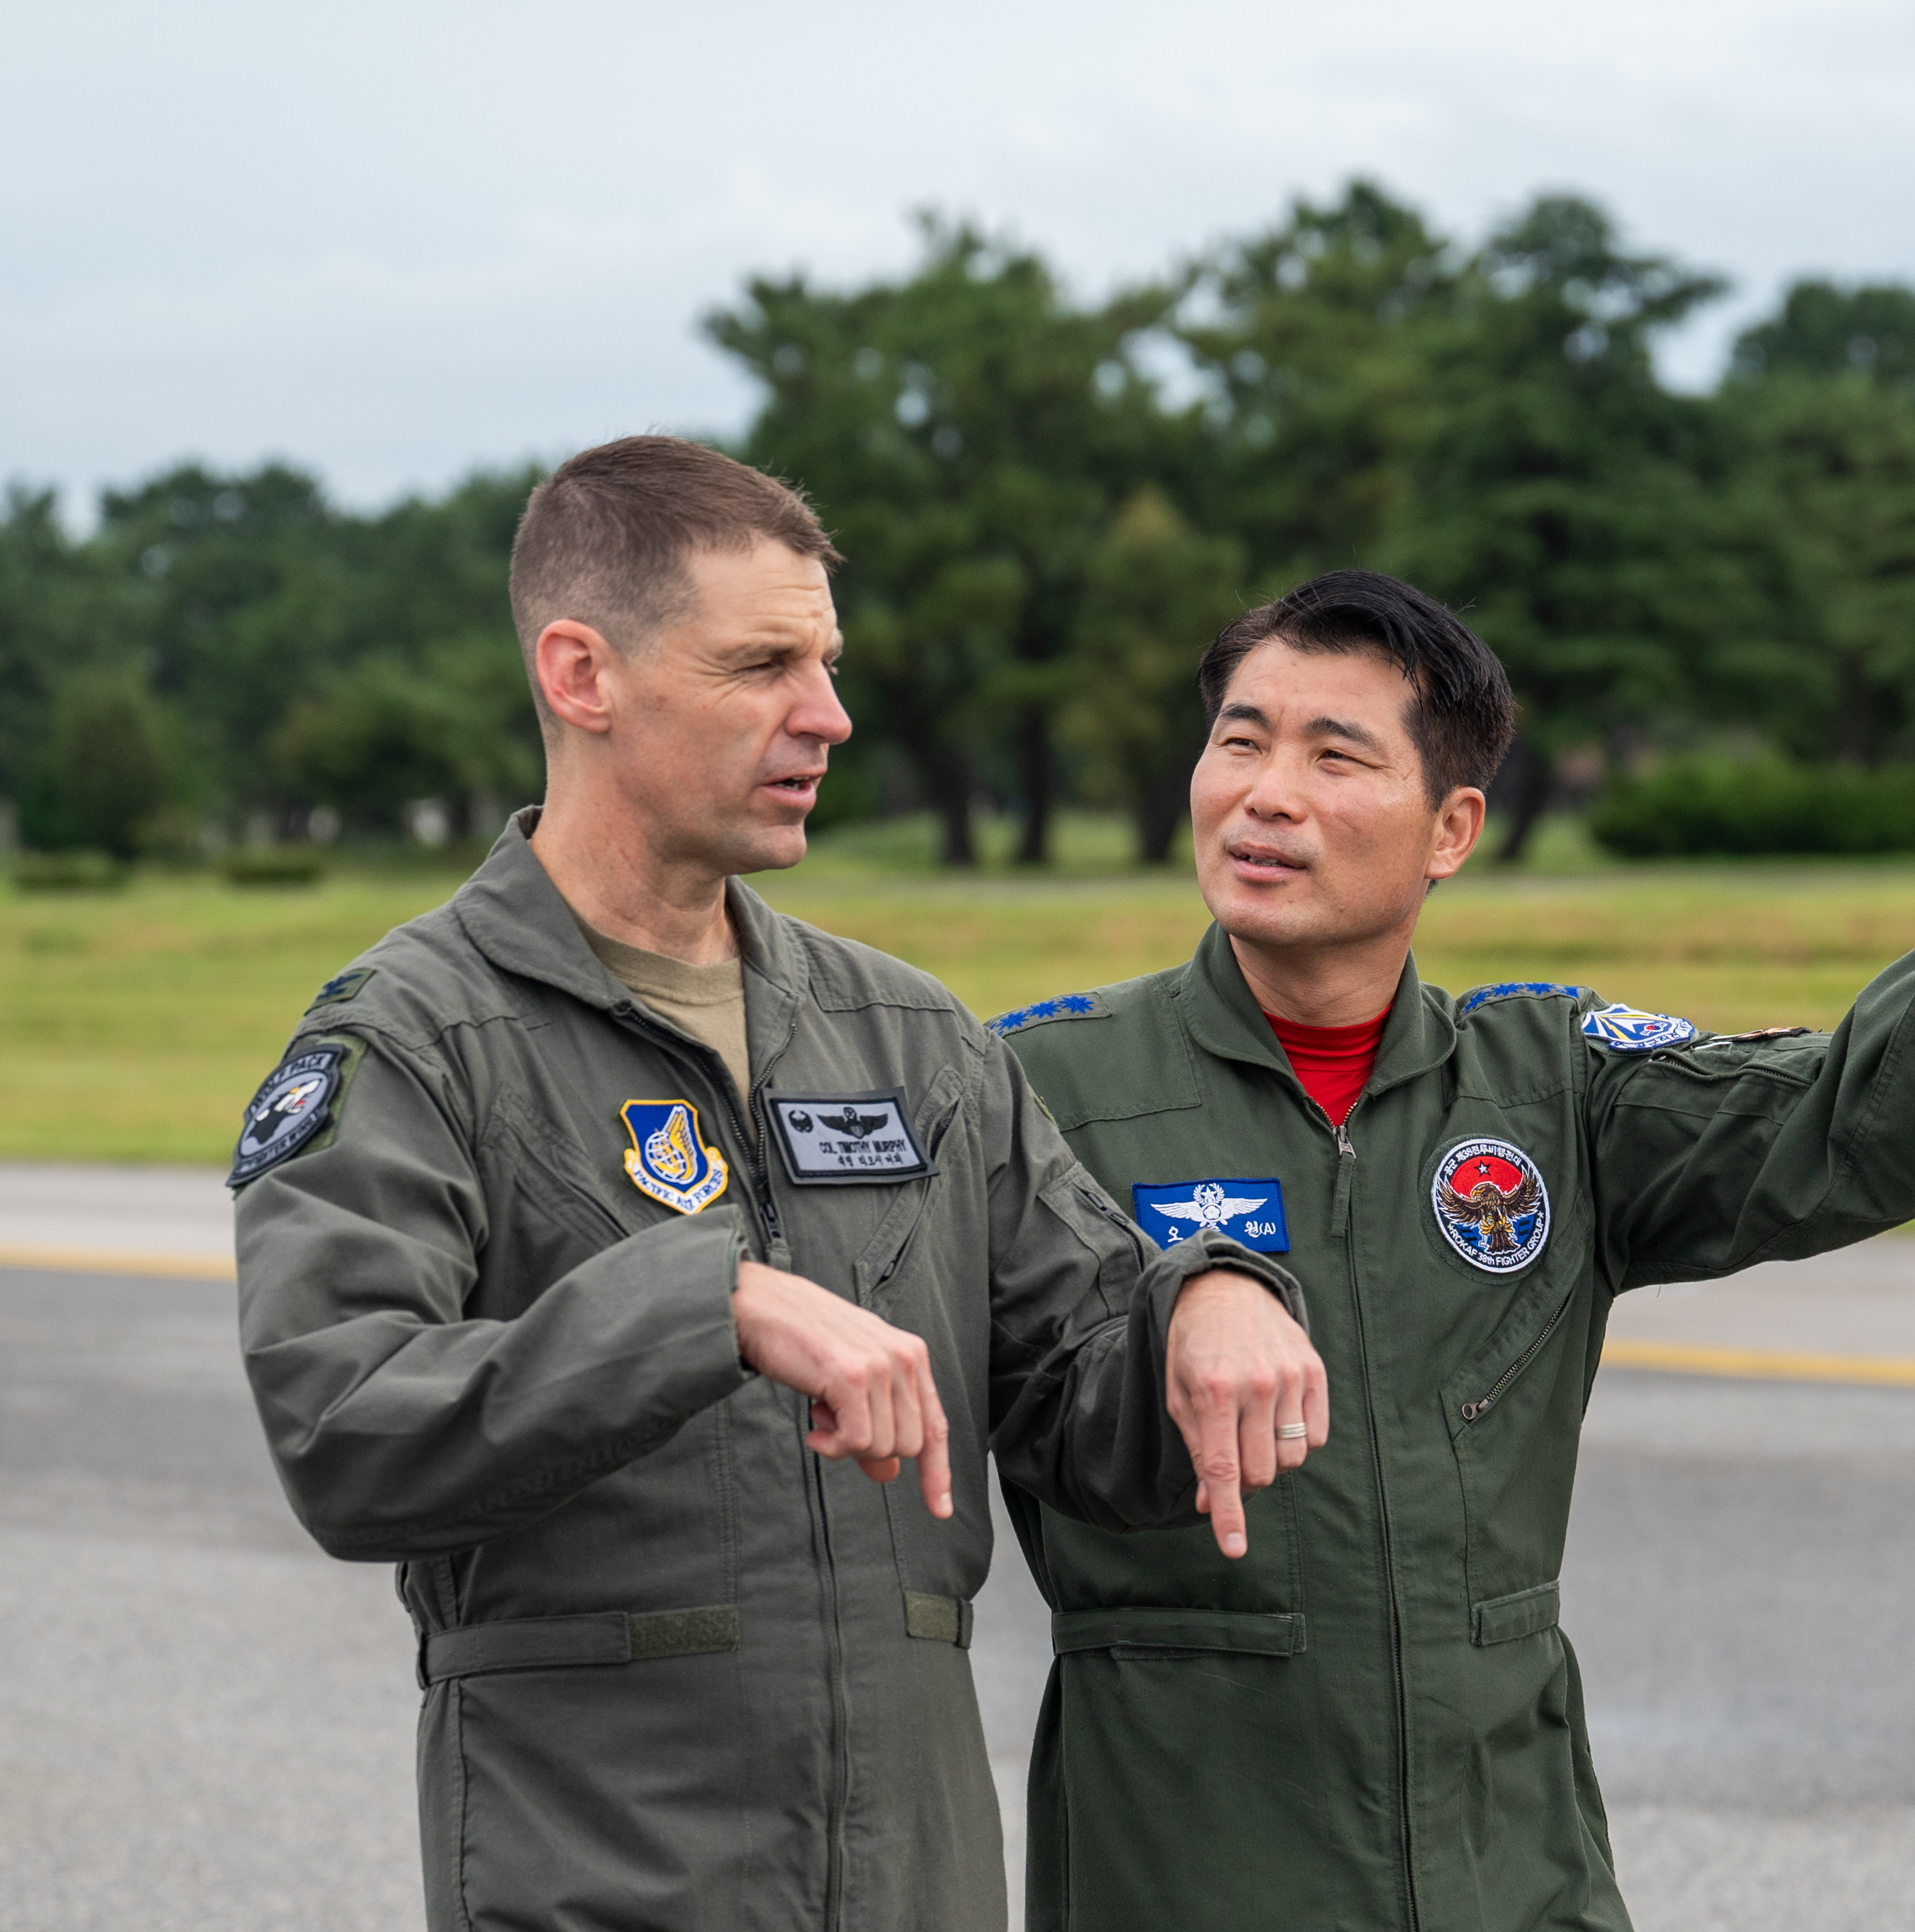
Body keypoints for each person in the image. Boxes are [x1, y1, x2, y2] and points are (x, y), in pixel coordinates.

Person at [990, 566, 1915, 1931]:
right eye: (1239, 739)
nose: (1264, 791)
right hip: (1186, 1864)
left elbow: (1843, 1134)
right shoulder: (1041, 1088)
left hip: (1512, 1866)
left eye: (1333, 754)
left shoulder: (1548, 1084)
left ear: (1450, 827)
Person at [230, 435, 1328, 1932]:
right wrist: (708, 1304)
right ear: (580, 673)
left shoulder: (907, 1034)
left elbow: (1085, 1394)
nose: (829, 714)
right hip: (606, 1878)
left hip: (914, 1875)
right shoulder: (415, 1037)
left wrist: (1204, 1303)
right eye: (762, 664)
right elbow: (346, 1429)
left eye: (824, 661)